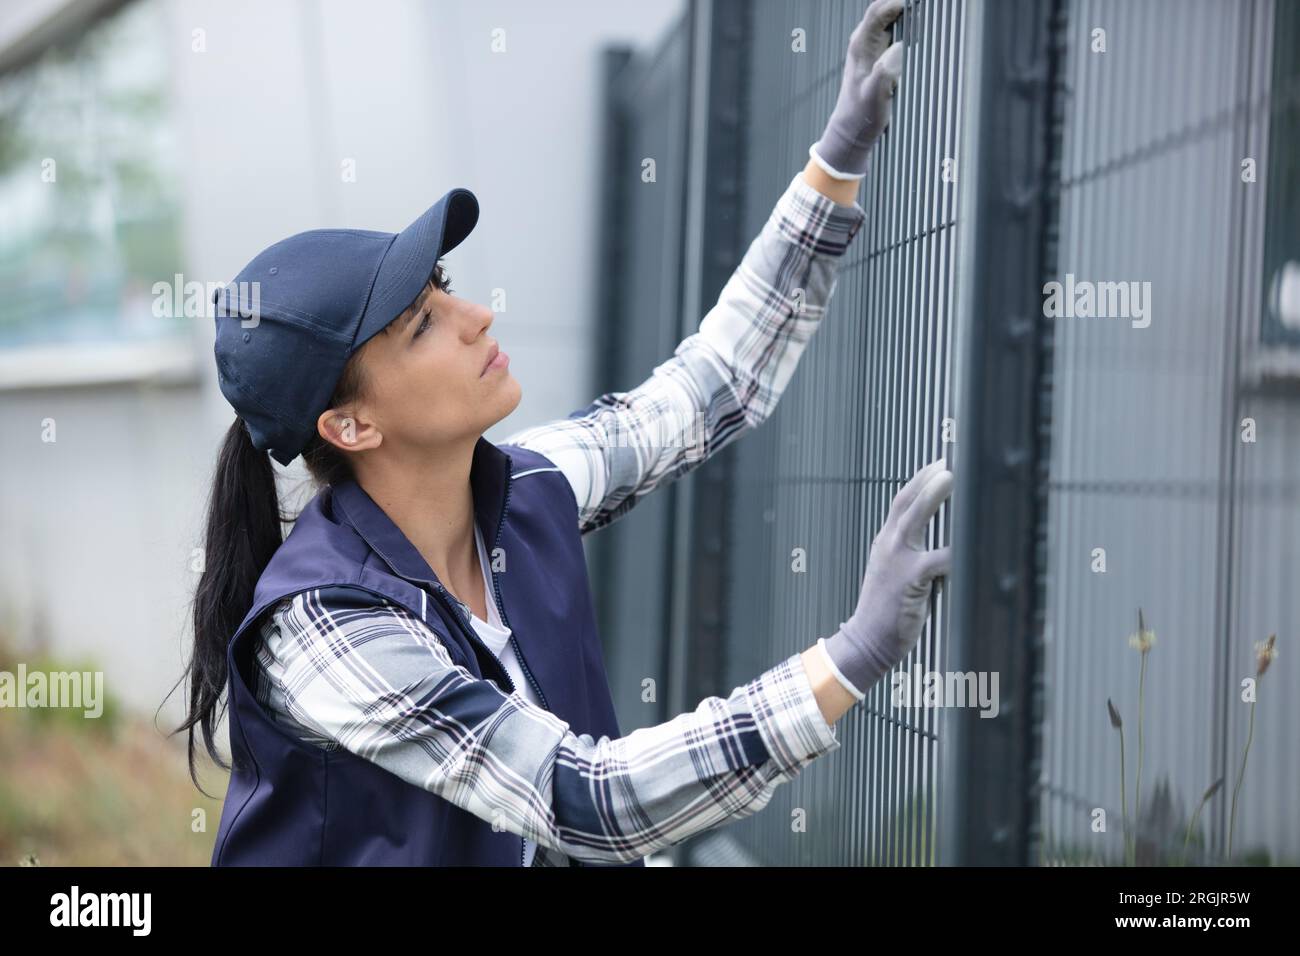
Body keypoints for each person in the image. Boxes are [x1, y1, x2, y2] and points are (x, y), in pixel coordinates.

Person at [174, 0, 950, 866]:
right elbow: (588, 802)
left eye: (445, 287)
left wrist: (833, 163)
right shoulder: (325, 627)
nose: (476, 315)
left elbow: (707, 389)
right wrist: (848, 660)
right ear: (349, 423)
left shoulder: (520, 491)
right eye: (421, 324)